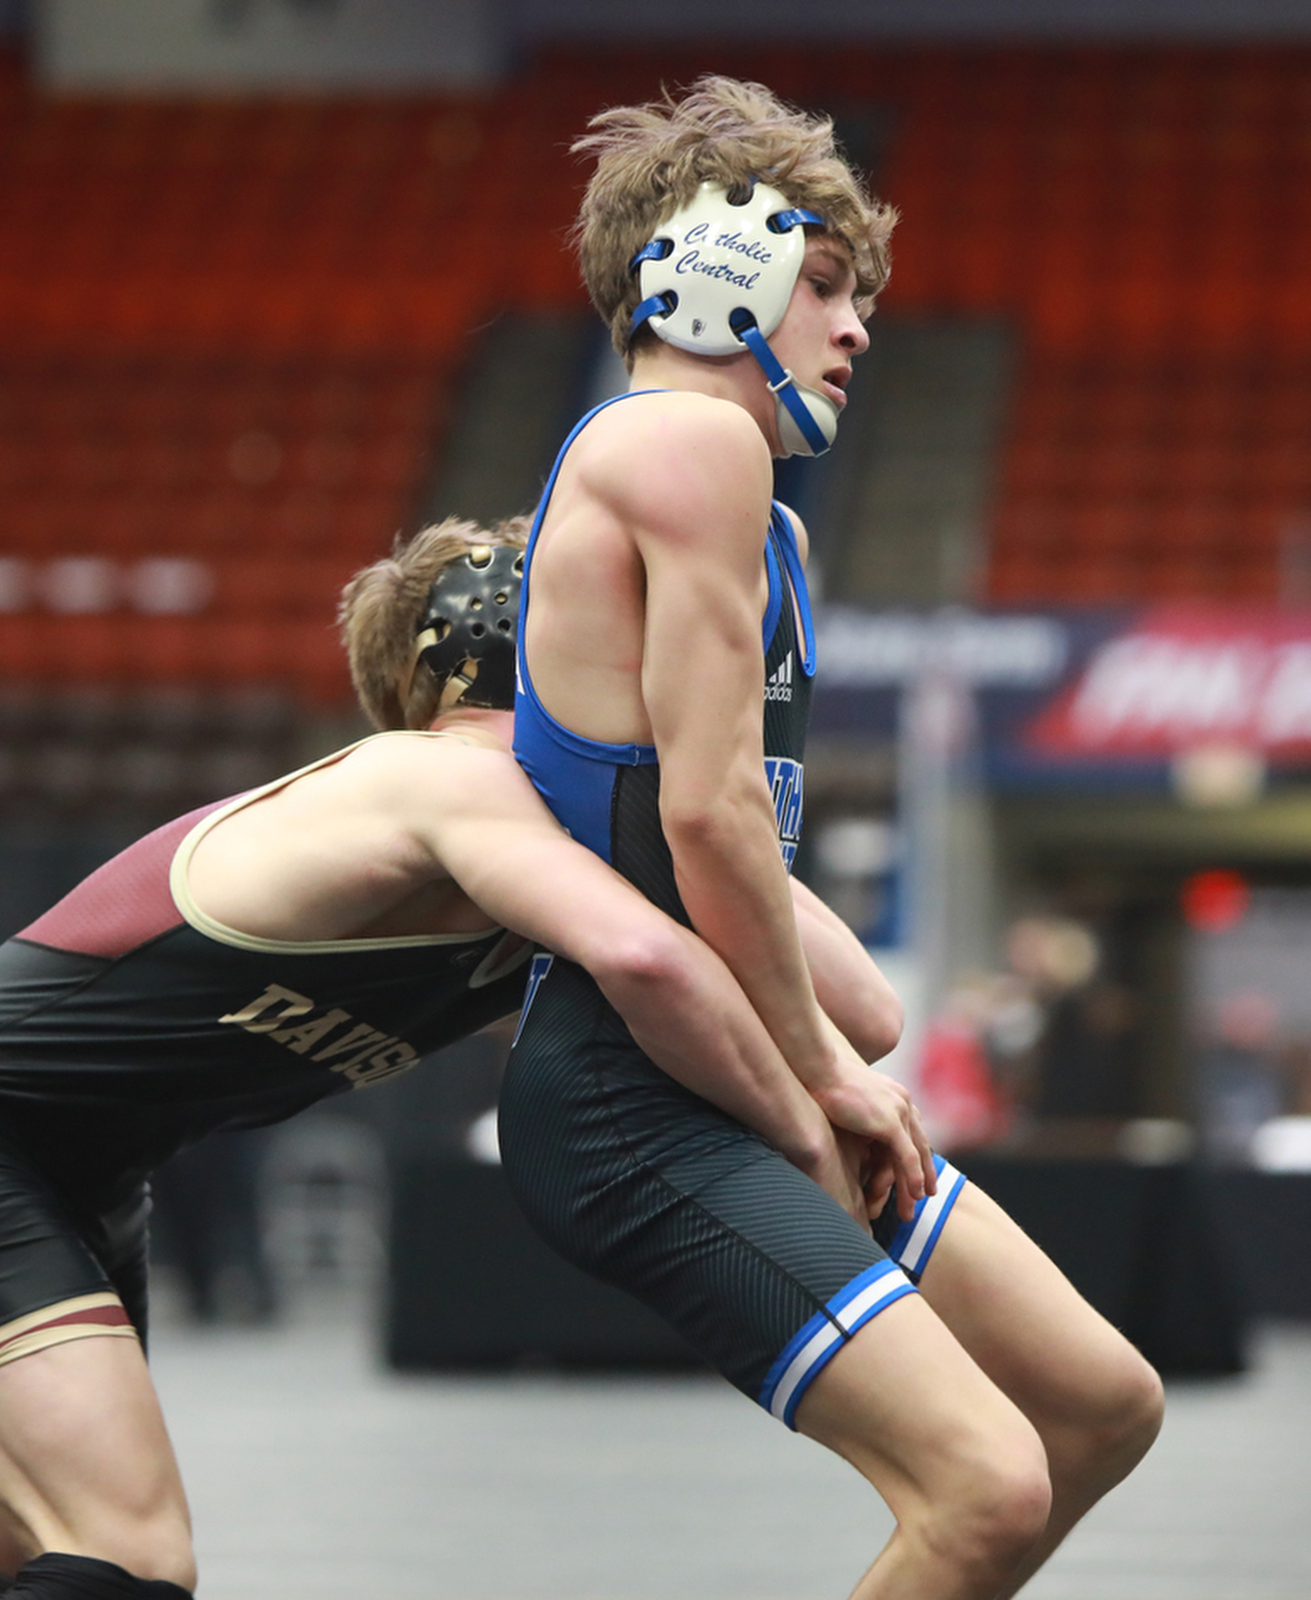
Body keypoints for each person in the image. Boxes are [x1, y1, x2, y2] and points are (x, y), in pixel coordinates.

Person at [0, 516, 899, 1600]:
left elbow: (863, 1009)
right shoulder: (444, 785)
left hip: (70, 1176)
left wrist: (711, 813)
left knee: (5, 1559)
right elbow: (647, 961)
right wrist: (808, 1138)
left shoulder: (554, 834)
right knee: (123, 1555)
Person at [500, 76, 1163, 1600]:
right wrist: (824, 1072)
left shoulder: (774, 524)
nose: (857, 330)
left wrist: (830, 1031)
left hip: (712, 1054)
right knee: (988, 1488)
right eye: (824, 285)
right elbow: (707, 810)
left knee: (1100, 1406)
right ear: (714, 268)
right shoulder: (688, 446)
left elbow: (721, 837)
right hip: (632, 1090)